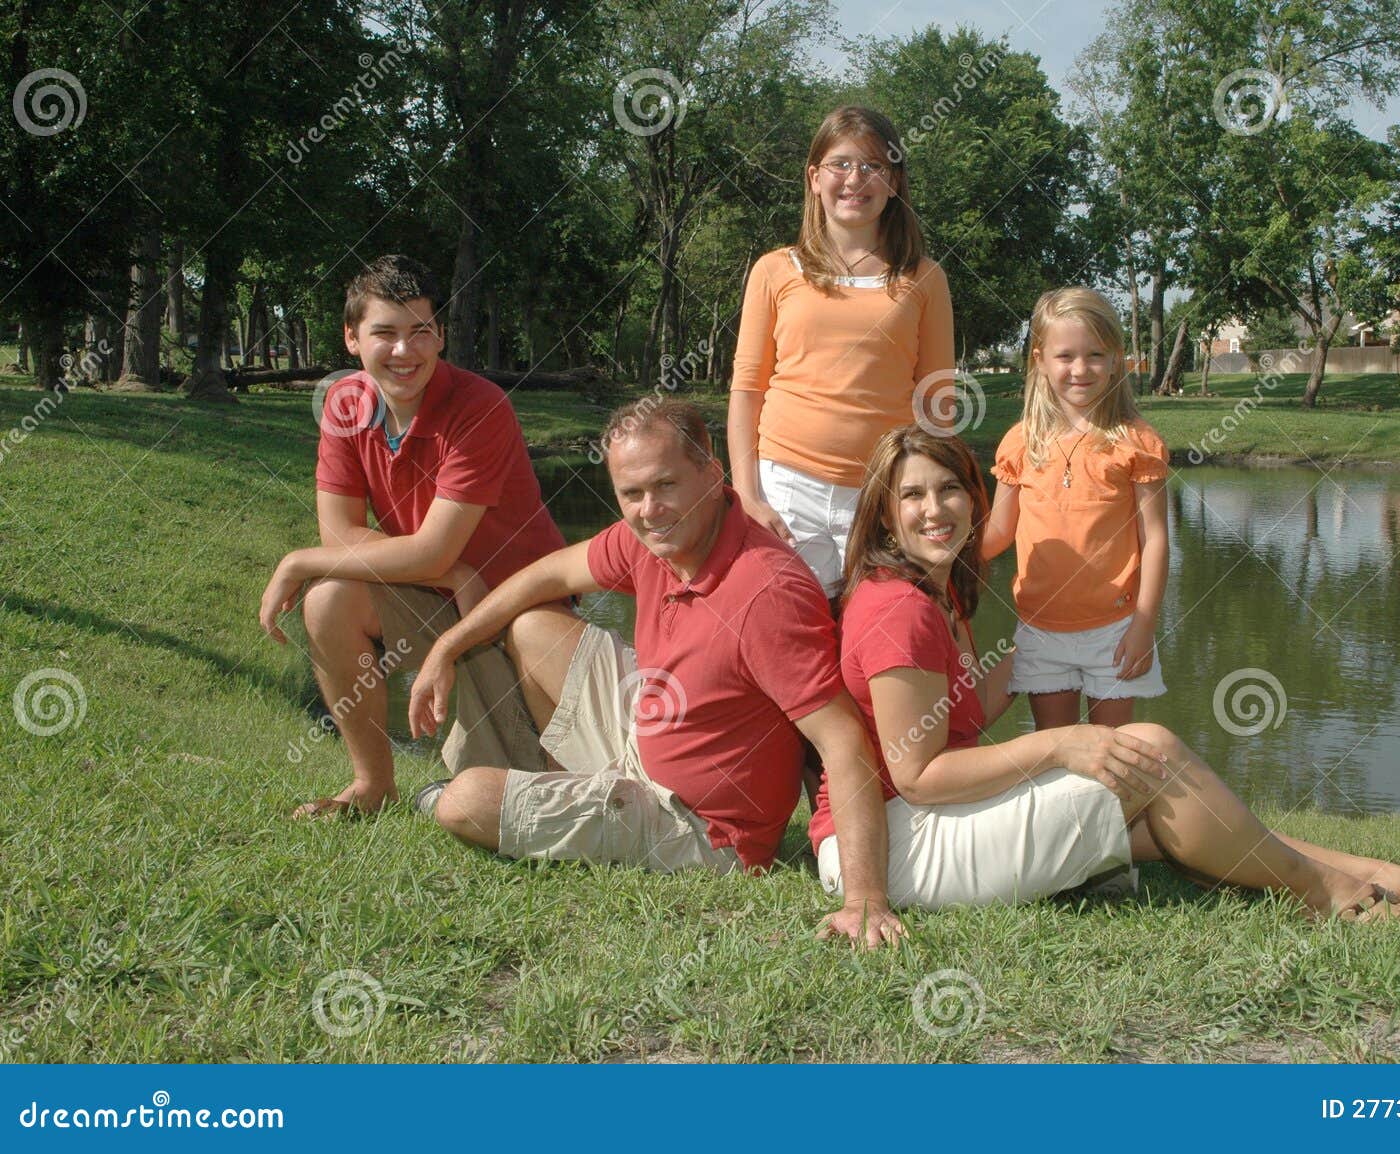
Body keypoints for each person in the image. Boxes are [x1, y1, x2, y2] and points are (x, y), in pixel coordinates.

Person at [810, 425, 1400, 921]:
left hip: (922, 823)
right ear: (885, 515)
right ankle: (1333, 897)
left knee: (1175, 819)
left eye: (951, 488)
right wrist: (1057, 742)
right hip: (890, 849)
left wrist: (1047, 649)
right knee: (1153, 755)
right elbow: (916, 773)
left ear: (974, 497)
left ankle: (1383, 878)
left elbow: (959, 715)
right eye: (913, 496)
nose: (936, 509)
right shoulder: (895, 609)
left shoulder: (936, 592)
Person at [407, 399, 905, 948]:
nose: (650, 509)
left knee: (464, 800)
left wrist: (864, 901)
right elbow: (548, 572)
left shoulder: (767, 591)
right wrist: (448, 647)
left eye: (666, 485)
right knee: (531, 628)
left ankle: (516, 798)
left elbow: (842, 738)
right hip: (646, 730)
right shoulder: (651, 540)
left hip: (700, 829)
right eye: (631, 494)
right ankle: (570, 787)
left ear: (712, 475)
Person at [259, 255, 566, 818]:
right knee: (330, 597)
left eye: (421, 331)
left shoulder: (480, 408)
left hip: (520, 611)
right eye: (385, 333)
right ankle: (372, 786)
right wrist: (446, 570)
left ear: (441, 336)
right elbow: (341, 534)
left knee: (538, 791)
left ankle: (535, 750)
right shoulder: (345, 404)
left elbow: (422, 547)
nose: (405, 351)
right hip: (440, 593)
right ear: (352, 338)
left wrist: (297, 560)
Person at [729, 105, 956, 601]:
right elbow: (747, 392)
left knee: (878, 638)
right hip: (786, 489)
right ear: (814, 178)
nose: (856, 179)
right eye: (841, 164)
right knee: (794, 638)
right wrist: (747, 495)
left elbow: (937, 404)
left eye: (873, 166)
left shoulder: (925, 278)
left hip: (884, 492)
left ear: (893, 181)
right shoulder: (773, 270)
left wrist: (929, 501)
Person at [982, 287, 1169, 731]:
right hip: (1041, 627)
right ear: (1040, 360)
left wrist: (1143, 625)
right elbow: (997, 533)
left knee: (1114, 751)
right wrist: (937, 561)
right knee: (1055, 748)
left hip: (1117, 627)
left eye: (1095, 355)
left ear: (1116, 359)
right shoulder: (1019, 442)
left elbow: (1156, 539)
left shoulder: (1138, 443)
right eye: (1065, 356)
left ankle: (1125, 806)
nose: (1080, 369)